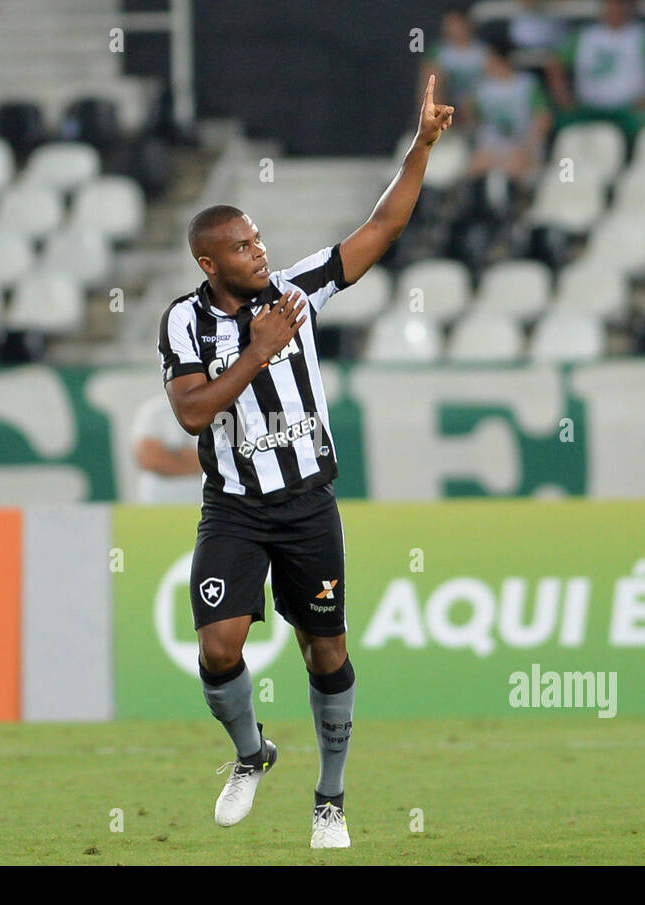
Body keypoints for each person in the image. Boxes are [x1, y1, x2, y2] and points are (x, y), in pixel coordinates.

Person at [155, 77, 454, 849]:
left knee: (326, 649)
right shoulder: (184, 323)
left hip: (306, 503)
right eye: (244, 247)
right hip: (234, 507)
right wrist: (257, 354)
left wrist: (419, 146)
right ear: (208, 261)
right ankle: (251, 754)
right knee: (219, 646)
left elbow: (382, 226)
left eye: (259, 240)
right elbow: (191, 412)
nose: (261, 253)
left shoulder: (297, 292)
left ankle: (330, 801)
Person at [546, 0, 645, 141]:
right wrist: (563, 97)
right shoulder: (584, 36)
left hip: (628, 110)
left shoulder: (642, 36)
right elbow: (556, 64)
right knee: (562, 121)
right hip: (589, 107)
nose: (614, 10)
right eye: (610, 4)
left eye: (619, 4)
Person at [467, 31, 553, 218]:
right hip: (493, 146)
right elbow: (474, 122)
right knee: (475, 166)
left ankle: (514, 215)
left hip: (522, 145)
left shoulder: (527, 85)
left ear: (497, 58)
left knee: (514, 166)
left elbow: (542, 119)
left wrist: (528, 150)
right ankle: (477, 217)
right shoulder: (482, 89)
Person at [131, 393, 203, 504]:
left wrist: (172, 456)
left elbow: (229, 458)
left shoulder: (222, 409)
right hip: (158, 507)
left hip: (206, 506)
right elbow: (150, 459)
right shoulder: (154, 410)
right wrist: (200, 460)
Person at [420, 6, 487, 125]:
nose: (451, 29)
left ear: (466, 24)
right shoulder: (438, 52)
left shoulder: (482, 52)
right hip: (447, 102)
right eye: (448, 24)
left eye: (455, 23)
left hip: (475, 105)